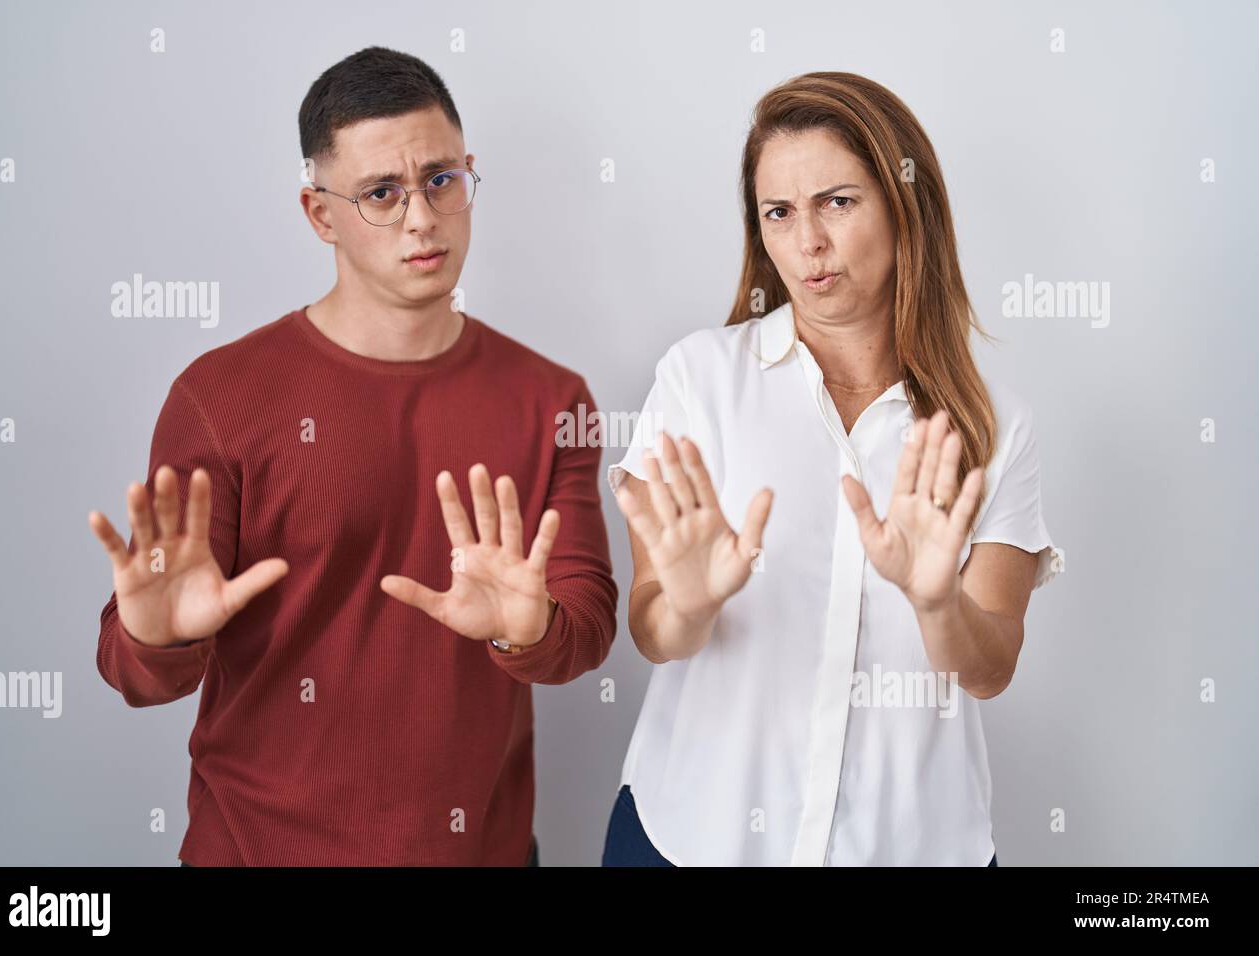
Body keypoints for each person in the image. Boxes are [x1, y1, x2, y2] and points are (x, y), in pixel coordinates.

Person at [89, 46, 617, 866]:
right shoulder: (219, 398)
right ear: (319, 213)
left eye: (441, 179)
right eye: (381, 193)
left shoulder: (553, 399)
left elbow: (586, 628)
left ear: (469, 176)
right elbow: (135, 668)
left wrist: (531, 629)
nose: (420, 217)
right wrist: (154, 640)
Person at [601, 72, 1060, 866]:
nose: (806, 242)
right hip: (689, 838)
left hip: (911, 847)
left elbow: (990, 670)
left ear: (903, 203)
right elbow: (652, 629)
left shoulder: (994, 423)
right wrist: (688, 604)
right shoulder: (700, 377)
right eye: (779, 212)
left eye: (837, 203)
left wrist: (938, 601)